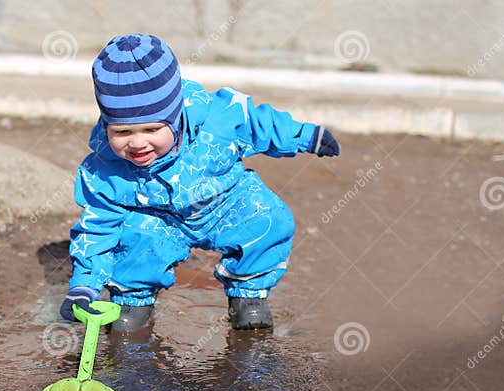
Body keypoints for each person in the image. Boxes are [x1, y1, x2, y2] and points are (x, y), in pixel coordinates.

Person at [60, 34, 339, 332]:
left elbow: (262, 125)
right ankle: (134, 299)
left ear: (175, 115)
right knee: (133, 238)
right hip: (158, 219)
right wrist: (84, 287)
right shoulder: (105, 169)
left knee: (268, 218)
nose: (138, 143)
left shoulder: (218, 119)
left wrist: (306, 136)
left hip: (224, 203)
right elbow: (97, 228)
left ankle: (248, 294)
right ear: (106, 125)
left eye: (152, 128)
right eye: (122, 132)